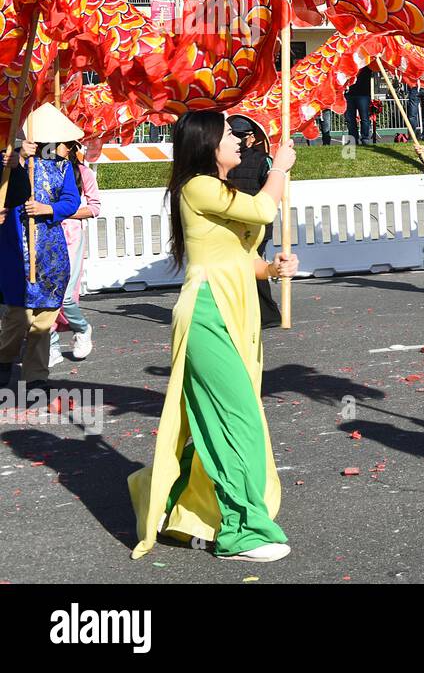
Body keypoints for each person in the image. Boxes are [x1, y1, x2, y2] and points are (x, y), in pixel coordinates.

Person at [127, 111, 298, 563]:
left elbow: (241, 259)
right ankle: (240, 534)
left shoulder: (222, 190)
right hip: (209, 312)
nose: (239, 141)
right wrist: (279, 168)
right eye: (229, 134)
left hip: (236, 309)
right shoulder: (198, 185)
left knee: (227, 420)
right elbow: (264, 209)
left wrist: (272, 269)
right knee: (238, 422)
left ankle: (173, 506)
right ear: (207, 144)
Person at [0, 105, 83, 392]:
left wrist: (48, 208)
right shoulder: (8, 161)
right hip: (16, 247)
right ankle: (4, 362)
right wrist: (18, 161)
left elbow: (71, 201)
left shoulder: (62, 167)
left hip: (50, 250)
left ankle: (36, 376)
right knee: (17, 316)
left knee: (44, 319)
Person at [226, 115, 280, 328]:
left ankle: (266, 314)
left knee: (251, 268)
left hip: (243, 222)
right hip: (256, 221)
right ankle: (263, 313)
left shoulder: (226, 159)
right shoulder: (261, 159)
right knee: (252, 268)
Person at [49, 139, 101, 364]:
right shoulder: (39, 170)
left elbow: (95, 207)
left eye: (61, 145)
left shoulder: (82, 173)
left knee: (67, 297)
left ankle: (82, 329)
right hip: (44, 239)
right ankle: (50, 346)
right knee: (44, 297)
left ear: (70, 147)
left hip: (71, 238)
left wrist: (60, 211)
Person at [344, 65, 375, 146]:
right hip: (350, 94)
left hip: (363, 94)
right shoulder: (348, 63)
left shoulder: (367, 63)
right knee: (351, 119)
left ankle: (365, 138)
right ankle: (353, 139)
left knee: (364, 118)